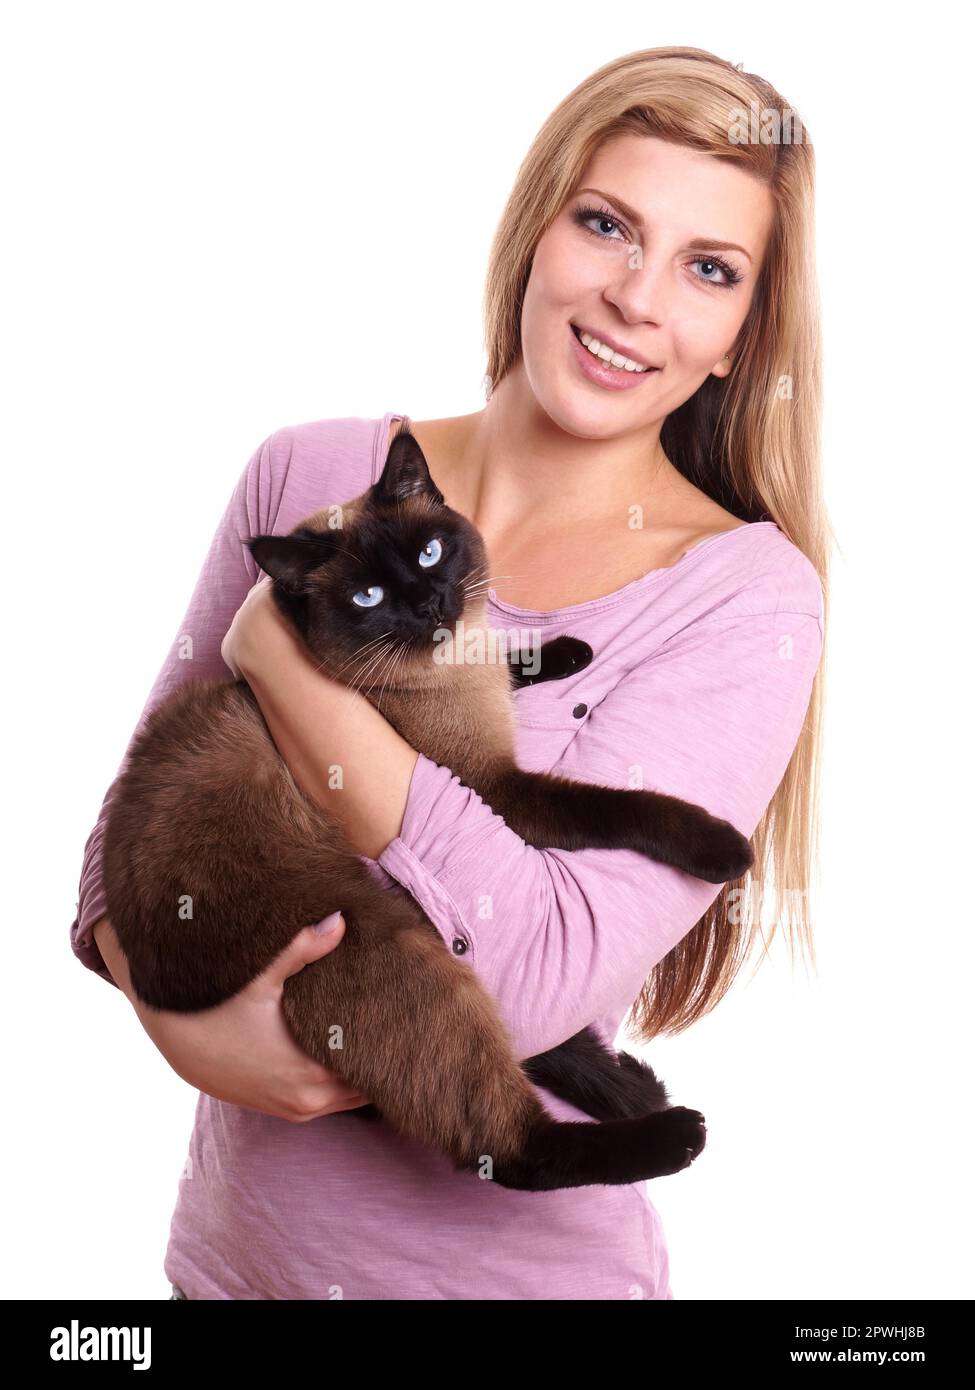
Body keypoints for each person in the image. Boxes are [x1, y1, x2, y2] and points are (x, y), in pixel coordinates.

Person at [71, 45, 830, 1300]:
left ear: (744, 333)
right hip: (231, 1275)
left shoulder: (744, 595)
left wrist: (285, 660)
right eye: (606, 225)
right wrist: (183, 1030)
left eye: (709, 268)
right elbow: (126, 846)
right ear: (538, 229)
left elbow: (531, 979)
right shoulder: (307, 470)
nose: (638, 298)